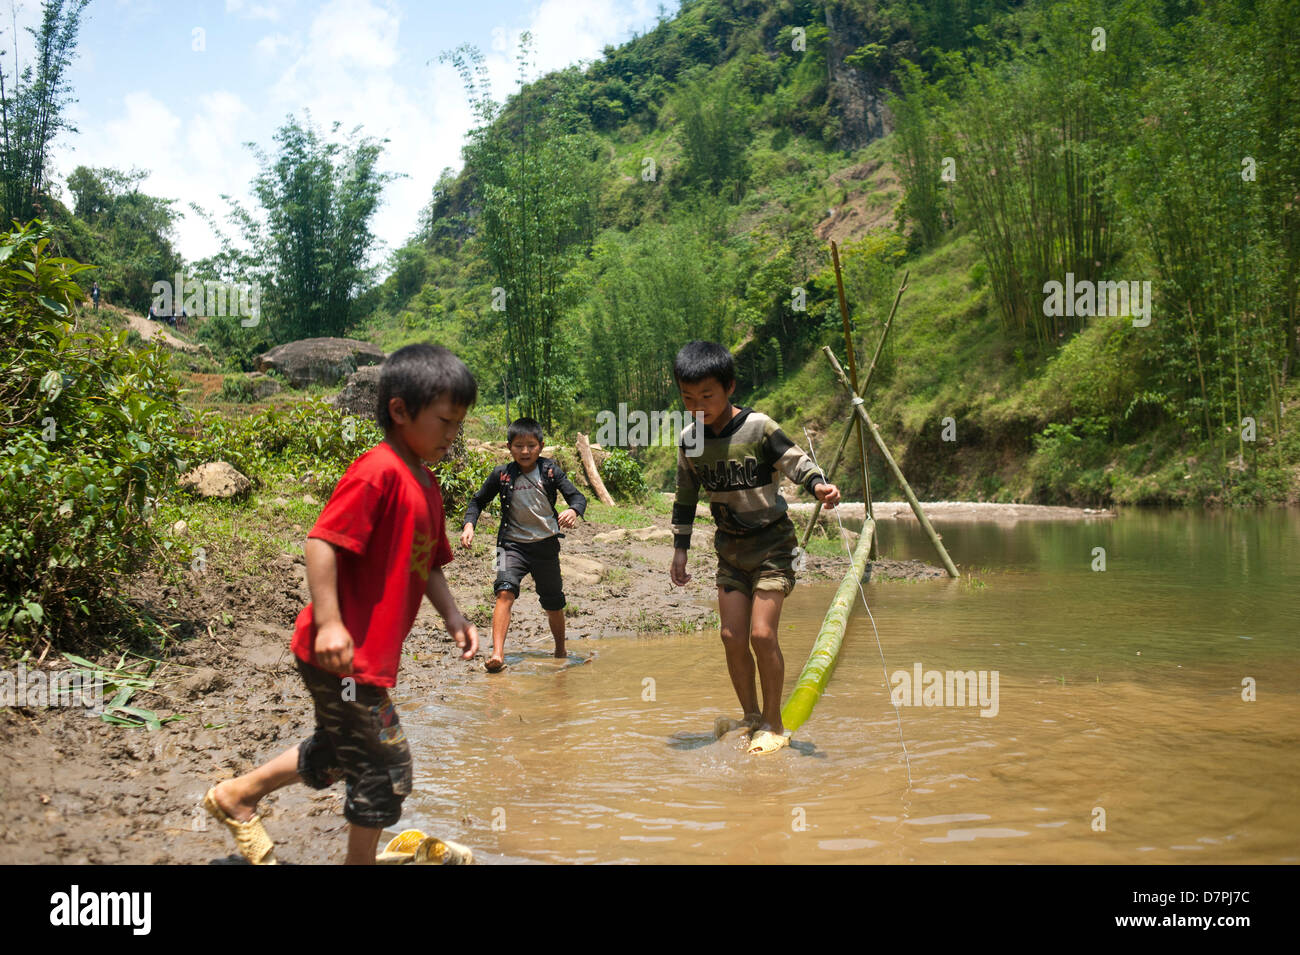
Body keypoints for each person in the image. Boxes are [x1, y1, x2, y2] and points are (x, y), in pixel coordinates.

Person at [202, 344, 480, 865]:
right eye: (445, 421)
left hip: (363, 660)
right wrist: (330, 623)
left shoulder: (426, 484)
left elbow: (430, 563)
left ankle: (237, 796)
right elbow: (321, 542)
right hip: (338, 654)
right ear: (400, 411)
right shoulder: (379, 471)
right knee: (386, 767)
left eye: (458, 424)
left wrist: (452, 614)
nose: (452, 435)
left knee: (338, 750)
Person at [668, 341, 840, 756]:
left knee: (762, 635)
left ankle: (774, 721)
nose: (698, 405)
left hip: (772, 545)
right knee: (731, 635)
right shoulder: (690, 439)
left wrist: (817, 484)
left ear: (728, 388)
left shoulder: (758, 426)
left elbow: (794, 460)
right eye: (688, 398)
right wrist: (680, 549)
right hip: (730, 548)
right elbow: (686, 494)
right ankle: (750, 716)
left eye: (706, 396)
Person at [459, 417, 586, 672]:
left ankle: (560, 649)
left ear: (541, 446)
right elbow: (477, 502)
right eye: (518, 446)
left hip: (546, 545)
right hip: (508, 545)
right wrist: (469, 524)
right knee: (503, 591)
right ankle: (497, 654)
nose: (525, 451)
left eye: (530, 445)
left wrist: (573, 511)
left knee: (554, 602)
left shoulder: (550, 471)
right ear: (509, 447)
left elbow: (577, 496)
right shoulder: (502, 474)